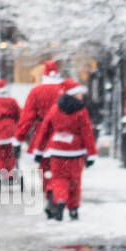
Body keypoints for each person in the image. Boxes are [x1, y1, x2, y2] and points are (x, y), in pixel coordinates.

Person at [33, 79, 96, 222]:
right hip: (75, 152)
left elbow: (45, 129)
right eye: (79, 92)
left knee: (58, 179)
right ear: (73, 94)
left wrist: (38, 150)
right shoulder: (81, 111)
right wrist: (91, 154)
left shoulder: (55, 108)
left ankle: (60, 200)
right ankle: (73, 209)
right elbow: (87, 133)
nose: (81, 95)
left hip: (57, 151)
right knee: (74, 182)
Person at [17, 59, 67, 209]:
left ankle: (48, 191)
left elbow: (27, 117)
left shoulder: (36, 91)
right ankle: (57, 192)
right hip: (62, 132)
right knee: (60, 168)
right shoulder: (64, 91)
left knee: (44, 166)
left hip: (42, 134)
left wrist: (19, 137)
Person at [0, 78, 21, 178]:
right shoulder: (12, 101)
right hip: (10, 129)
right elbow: (17, 115)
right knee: (10, 154)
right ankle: (9, 174)